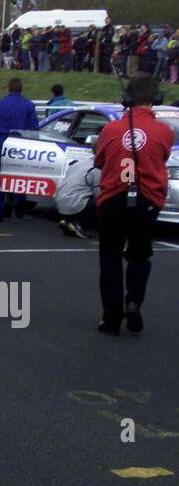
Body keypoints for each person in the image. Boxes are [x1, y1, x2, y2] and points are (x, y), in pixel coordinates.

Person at [93, 73, 174, 335]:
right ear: (156, 99)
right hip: (146, 200)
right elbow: (162, 156)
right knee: (140, 256)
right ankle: (134, 301)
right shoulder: (164, 131)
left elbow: (100, 160)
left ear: (127, 98)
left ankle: (111, 317)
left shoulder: (111, 128)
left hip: (114, 198)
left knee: (111, 259)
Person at [0, 77, 38, 221]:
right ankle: (19, 207)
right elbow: (34, 126)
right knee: (20, 176)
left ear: (8, 88)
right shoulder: (28, 105)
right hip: (20, 142)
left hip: (2, 140)